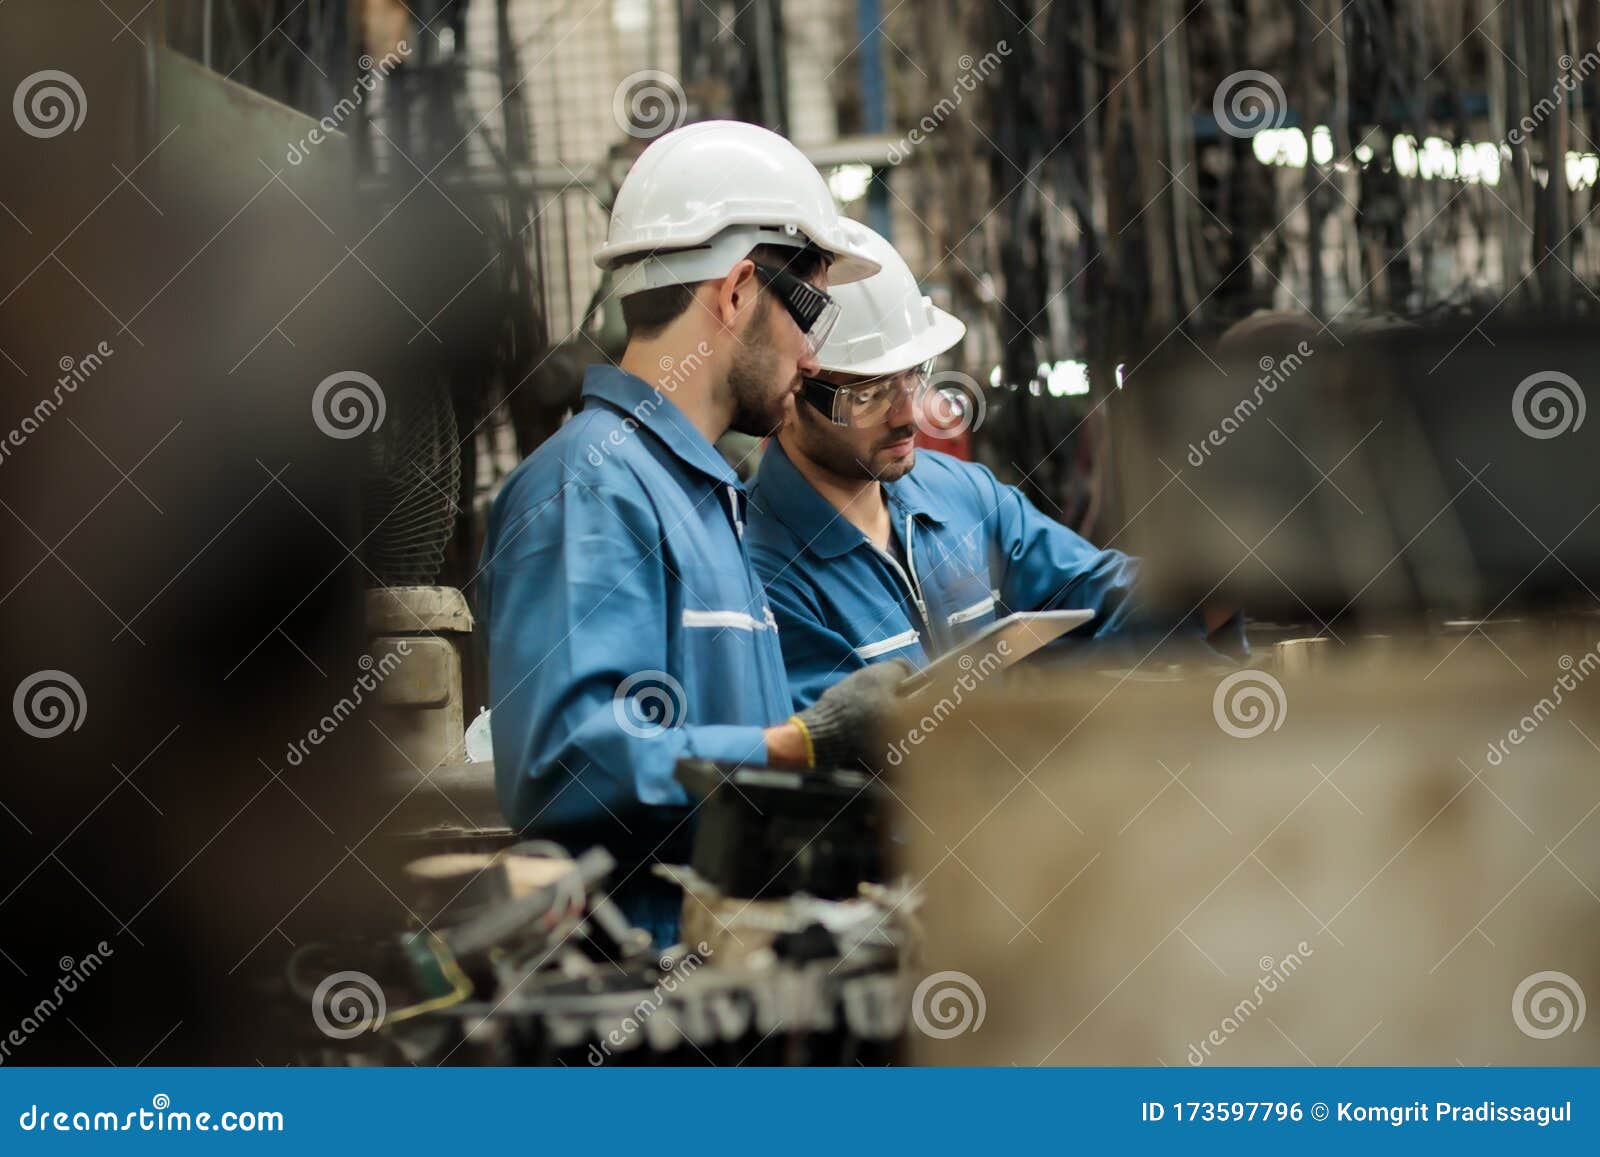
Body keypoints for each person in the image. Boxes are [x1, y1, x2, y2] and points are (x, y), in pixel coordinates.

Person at [477, 123, 909, 943]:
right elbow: (573, 762)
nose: (815, 359)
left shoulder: (709, 494)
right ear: (739, 290)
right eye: (810, 311)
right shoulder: (590, 487)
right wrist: (802, 743)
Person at [746, 224, 1241, 710]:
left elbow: (1099, 599)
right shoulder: (761, 570)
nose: (907, 414)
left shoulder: (960, 495)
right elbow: (839, 756)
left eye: (914, 376)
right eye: (869, 394)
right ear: (792, 388)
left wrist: (1224, 581)